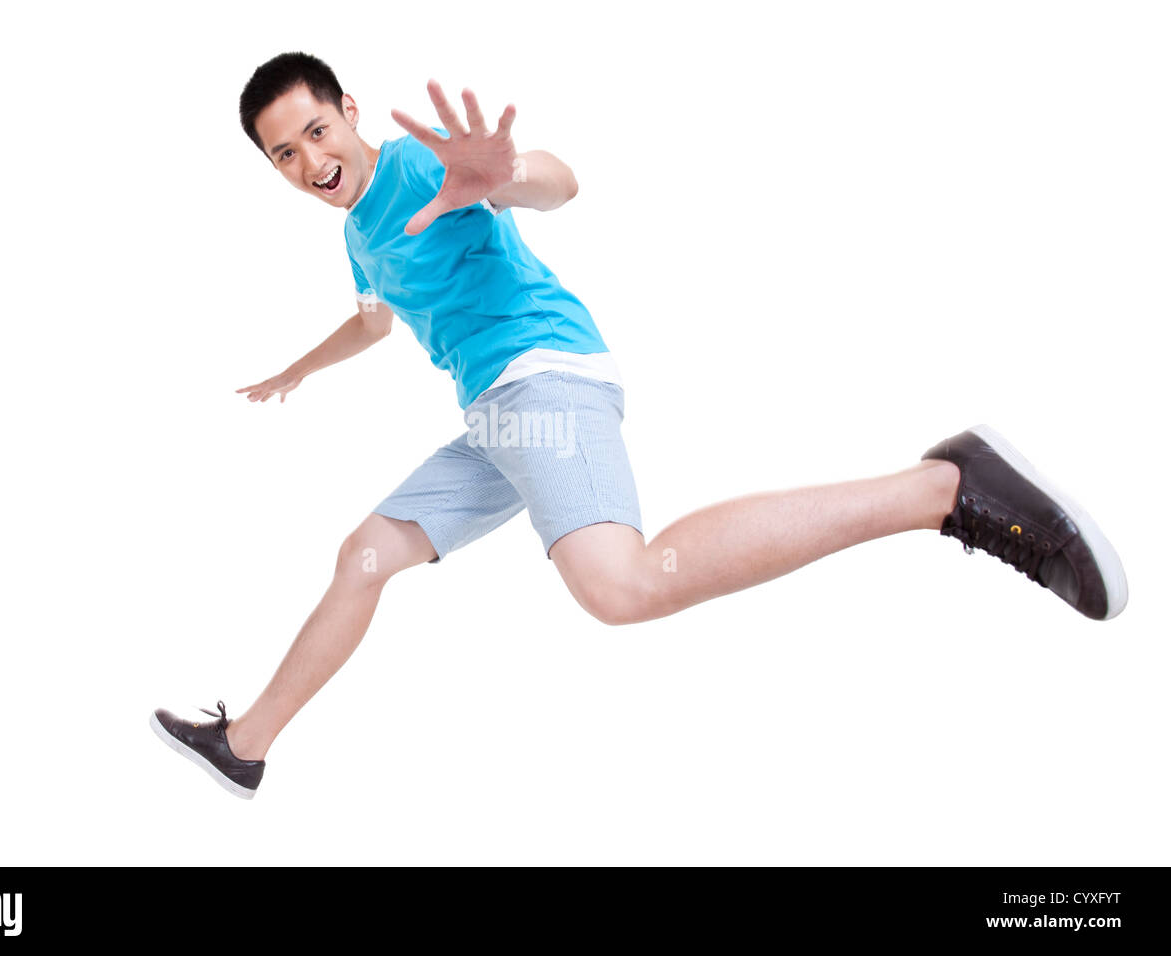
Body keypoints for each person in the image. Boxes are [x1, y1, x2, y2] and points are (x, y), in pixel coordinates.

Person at [150, 51, 1128, 800]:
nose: (312, 161)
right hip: (496, 418)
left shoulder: (412, 167)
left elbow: (551, 182)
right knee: (365, 553)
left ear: (349, 111)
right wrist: (295, 370)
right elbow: (373, 316)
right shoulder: (357, 229)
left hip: (542, 378)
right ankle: (245, 748)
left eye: (318, 131)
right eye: (287, 153)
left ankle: (941, 489)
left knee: (622, 584)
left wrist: (502, 172)